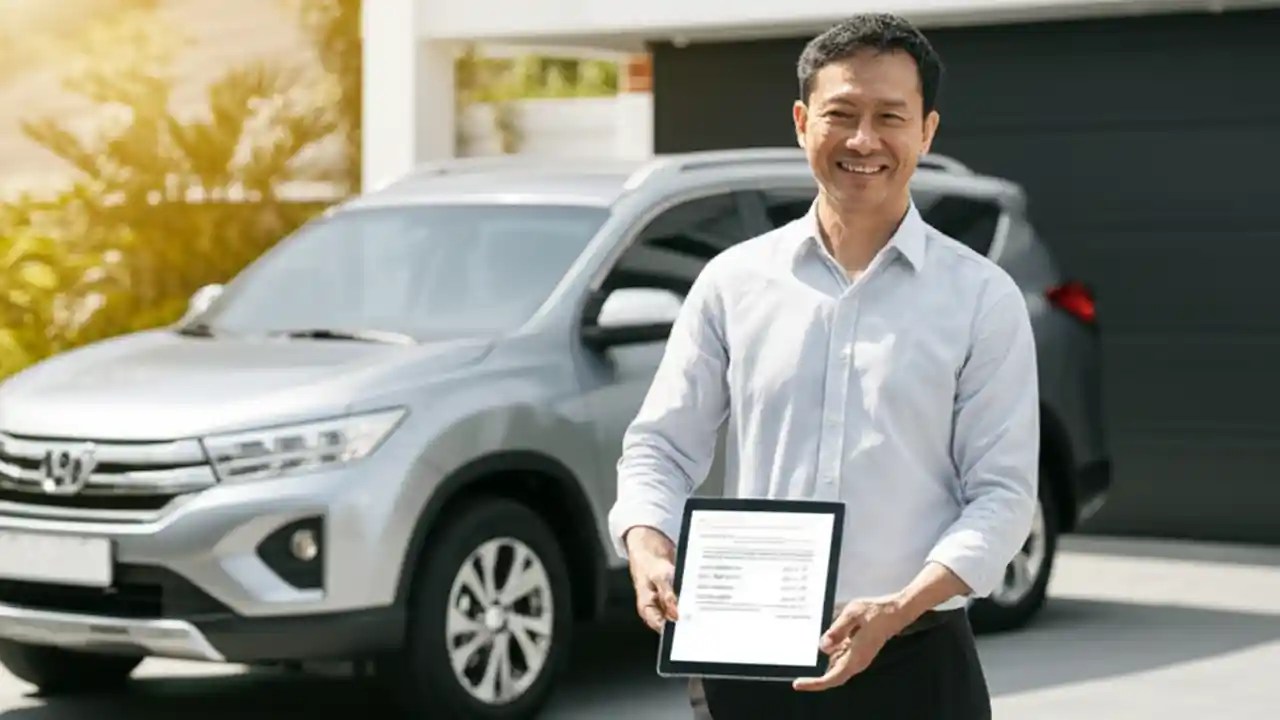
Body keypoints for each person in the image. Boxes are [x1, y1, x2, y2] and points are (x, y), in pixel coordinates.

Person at [606, 12, 1041, 720]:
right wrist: (650, 546)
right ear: (803, 121)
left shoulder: (980, 298)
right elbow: (659, 444)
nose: (864, 140)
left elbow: (1001, 495)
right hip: (743, 657)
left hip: (914, 662)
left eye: (890, 117)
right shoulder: (733, 281)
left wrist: (901, 605)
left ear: (926, 132)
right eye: (842, 114)